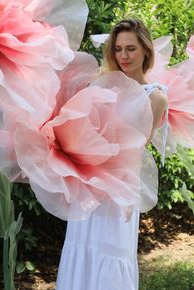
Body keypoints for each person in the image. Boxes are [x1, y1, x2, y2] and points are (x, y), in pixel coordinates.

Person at [55, 18, 168, 290]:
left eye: (131, 48)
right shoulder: (102, 83)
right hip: (89, 181)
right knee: (82, 244)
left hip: (119, 186)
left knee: (112, 250)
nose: (124, 56)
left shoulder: (155, 96)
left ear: (146, 51)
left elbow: (136, 147)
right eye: (118, 49)